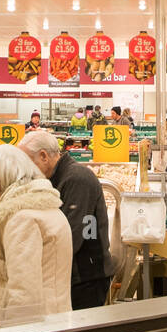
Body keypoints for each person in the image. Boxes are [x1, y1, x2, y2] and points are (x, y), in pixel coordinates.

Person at [0, 144, 72, 326]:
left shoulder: (22, 220)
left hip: (32, 331)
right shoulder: (45, 207)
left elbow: (24, 295)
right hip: (54, 319)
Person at [18, 130, 111, 310]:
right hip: (72, 276)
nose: (25, 171)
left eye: (27, 162)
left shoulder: (77, 178)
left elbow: (70, 236)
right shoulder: (55, 178)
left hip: (86, 279)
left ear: (44, 156)